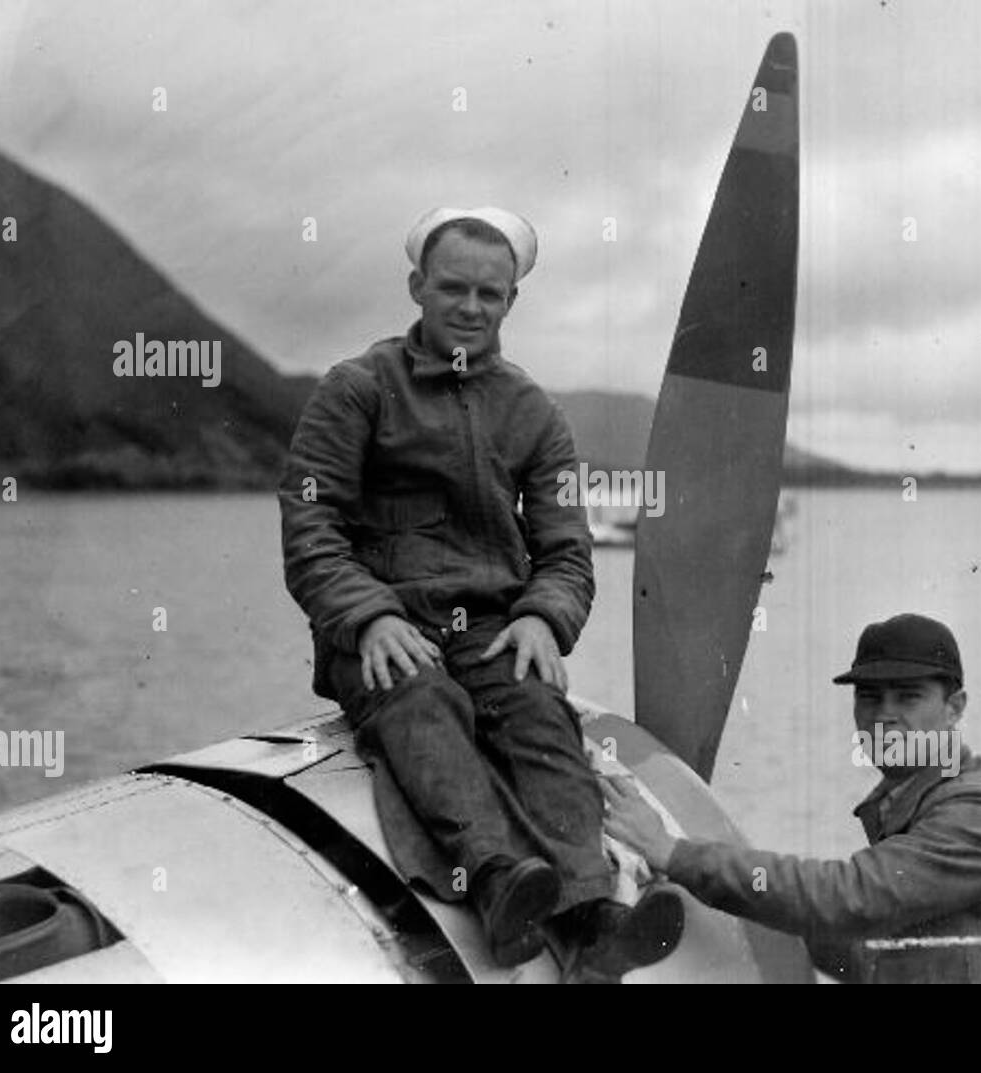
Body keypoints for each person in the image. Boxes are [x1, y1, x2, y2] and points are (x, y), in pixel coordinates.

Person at [279, 206, 681, 978]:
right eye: (452, 287)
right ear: (417, 287)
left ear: (511, 302)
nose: (470, 307)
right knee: (423, 702)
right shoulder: (356, 389)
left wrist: (541, 618)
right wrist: (367, 618)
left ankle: (594, 913)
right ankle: (497, 881)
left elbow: (567, 547)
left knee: (537, 708)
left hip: (492, 629)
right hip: (384, 627)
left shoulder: (533, 414)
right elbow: (310, 521)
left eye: (488, 294)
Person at [604, 613, 981, 983]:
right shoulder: (912, 799)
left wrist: (676, 852)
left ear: (955, 709)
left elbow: (849, 897)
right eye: (869, 698)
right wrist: (727, 906)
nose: (884, 718)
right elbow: (878, 953)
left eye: (907, 698)